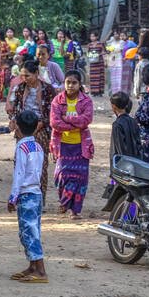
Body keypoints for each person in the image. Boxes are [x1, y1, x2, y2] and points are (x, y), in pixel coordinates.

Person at [6, 59, 57, 203]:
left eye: (27, 75)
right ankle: (21, 197)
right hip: (23, 127)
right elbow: (14, 108)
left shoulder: (47, 89)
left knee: (41, 164)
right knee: (20, 163)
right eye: (23, 76)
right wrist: (14, 121)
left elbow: (51, 113)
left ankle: (40, 199)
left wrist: (41, 124)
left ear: (36, 73)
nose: (24, 79)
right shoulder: (20, 88)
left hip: (41, 128)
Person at [8, 110, 48, 284]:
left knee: (29, 233)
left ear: (18, 126)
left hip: (26, 194)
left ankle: (40, 270)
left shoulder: (21, 147)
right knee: (33, 231)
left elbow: (19, 173)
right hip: (36, 193)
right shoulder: (38, 146)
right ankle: (32, 266)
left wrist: (13, 197)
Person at [49, 71, 93, 218]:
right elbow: (55, 123)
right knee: (60, 176)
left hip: (81, 146)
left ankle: (74, 211)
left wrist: (66, 119)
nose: (70, 85)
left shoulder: (86, 101)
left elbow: (86, 120)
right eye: (68, 82)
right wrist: (74, 125)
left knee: (80, 179)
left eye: (74, 83)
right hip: (62, 145)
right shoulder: (57, 100)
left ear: (80, 84)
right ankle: (64, 201)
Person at [111, 92, 141, 160]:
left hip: (122, 164)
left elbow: (120, 148)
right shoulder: (133, 121)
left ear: (113, 106)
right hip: (135, 161)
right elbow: (138, 143)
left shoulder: (117, 125)